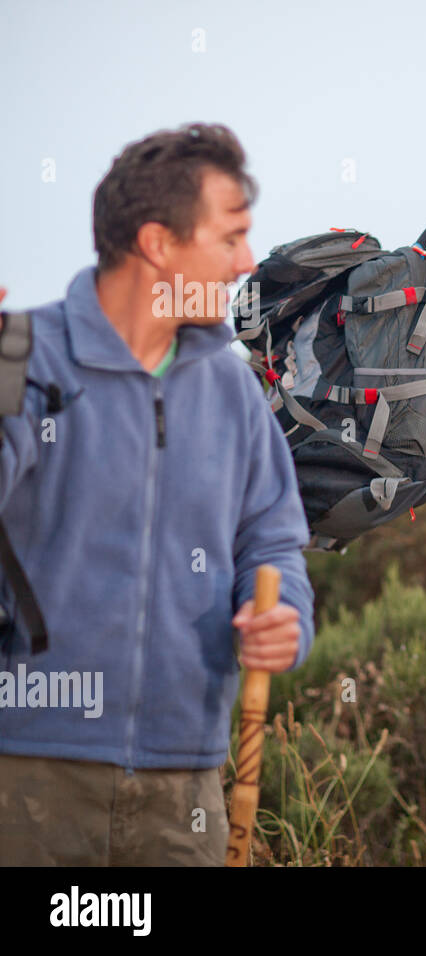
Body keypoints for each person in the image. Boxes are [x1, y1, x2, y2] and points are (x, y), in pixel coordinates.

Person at [0, 124, 315, 866]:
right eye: (230, 237)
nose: (247, 261)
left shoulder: (233, 388)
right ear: (157, 243)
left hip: (187, 784)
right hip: (29, 768)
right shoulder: (23, 359)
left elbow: (271, 543)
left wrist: (284, 618)